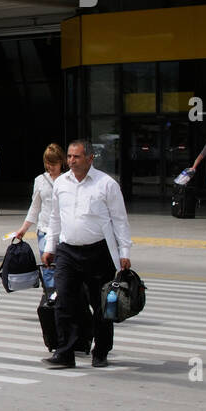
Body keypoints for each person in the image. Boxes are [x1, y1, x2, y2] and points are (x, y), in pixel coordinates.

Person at [42, 140, 133, 369]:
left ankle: (101, 351)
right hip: (67, 251)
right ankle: (65, 352)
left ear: (90, 159)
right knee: (63, 301)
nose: (71, 161)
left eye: (77, 157)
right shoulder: (61, 183)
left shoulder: (106, 184)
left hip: (98, 252)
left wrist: (124, 252)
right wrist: (50, 247)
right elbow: (55, 218)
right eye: (70, 157)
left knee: (100, 305)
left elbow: (120, 220)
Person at [12, 143, 66, 291]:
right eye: (48, 163)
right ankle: (50, 297)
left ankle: (62, 297)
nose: (51, 167)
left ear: (61, 162)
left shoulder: (69, 179)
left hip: (65, 232)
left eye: (54, 163)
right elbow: (35, 207)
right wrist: (23, 229)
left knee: (63, 268)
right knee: (48, 267)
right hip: (44, 230)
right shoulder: (40, 180)